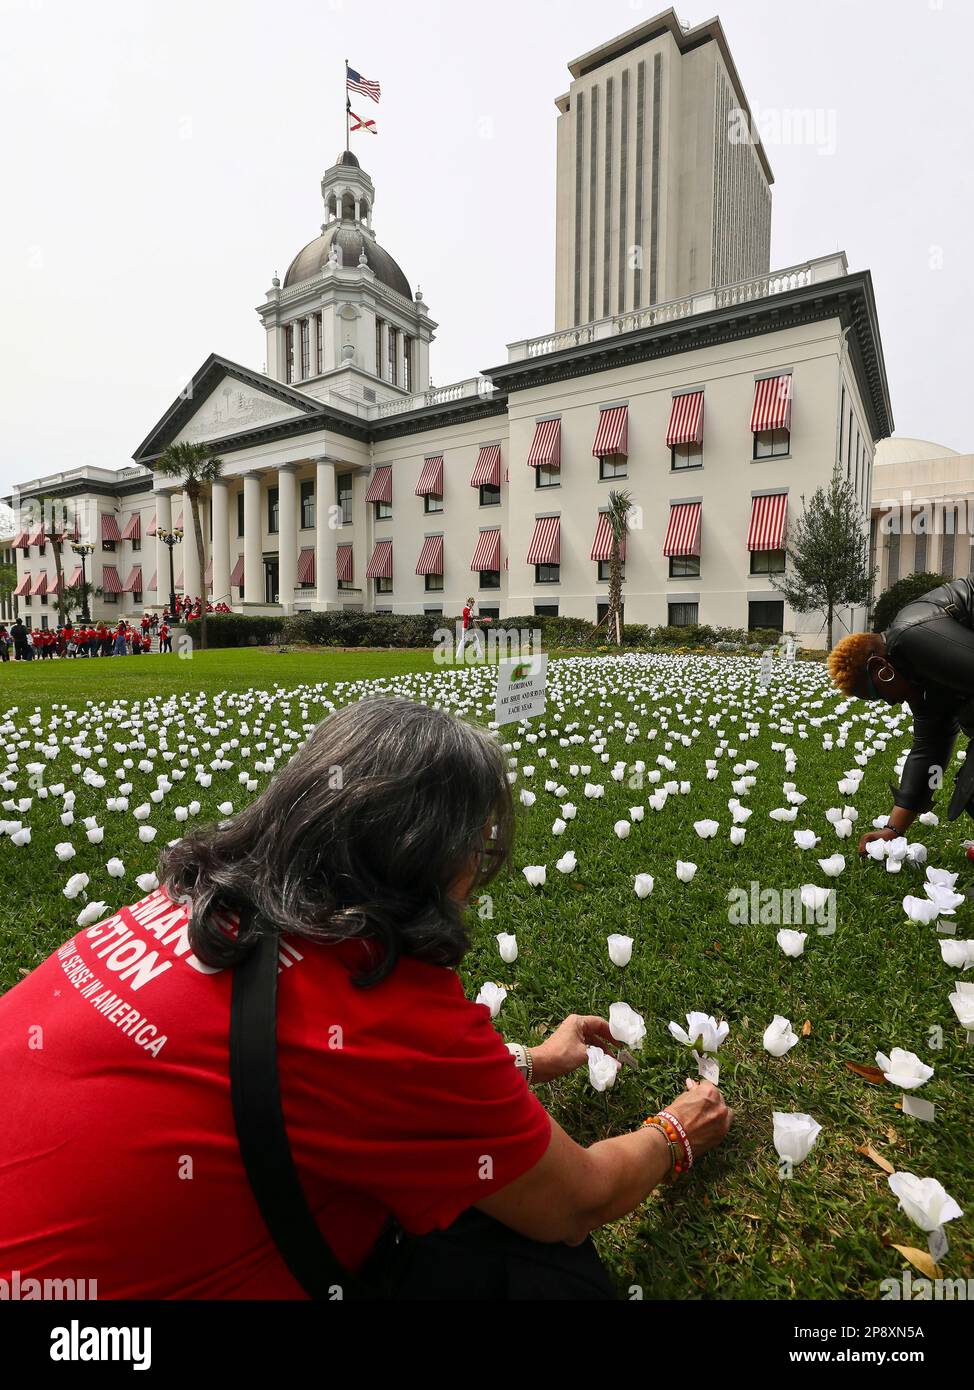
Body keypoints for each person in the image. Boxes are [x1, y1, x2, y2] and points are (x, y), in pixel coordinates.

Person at [0, 698, 731, 1300]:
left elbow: (285, 1077)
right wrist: (675, 1131)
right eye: (479, 852)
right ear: (431, 858)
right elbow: (577, 1203)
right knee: (538, 1267)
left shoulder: (189, 908)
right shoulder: (380, 1002)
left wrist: (527, 1062)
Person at [827, 574, 974, 851]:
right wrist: (894, 829)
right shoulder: (920, 681)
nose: (891, 703)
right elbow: (931, 755)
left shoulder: (913, 636)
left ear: (880, 669)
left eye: (878, 695)